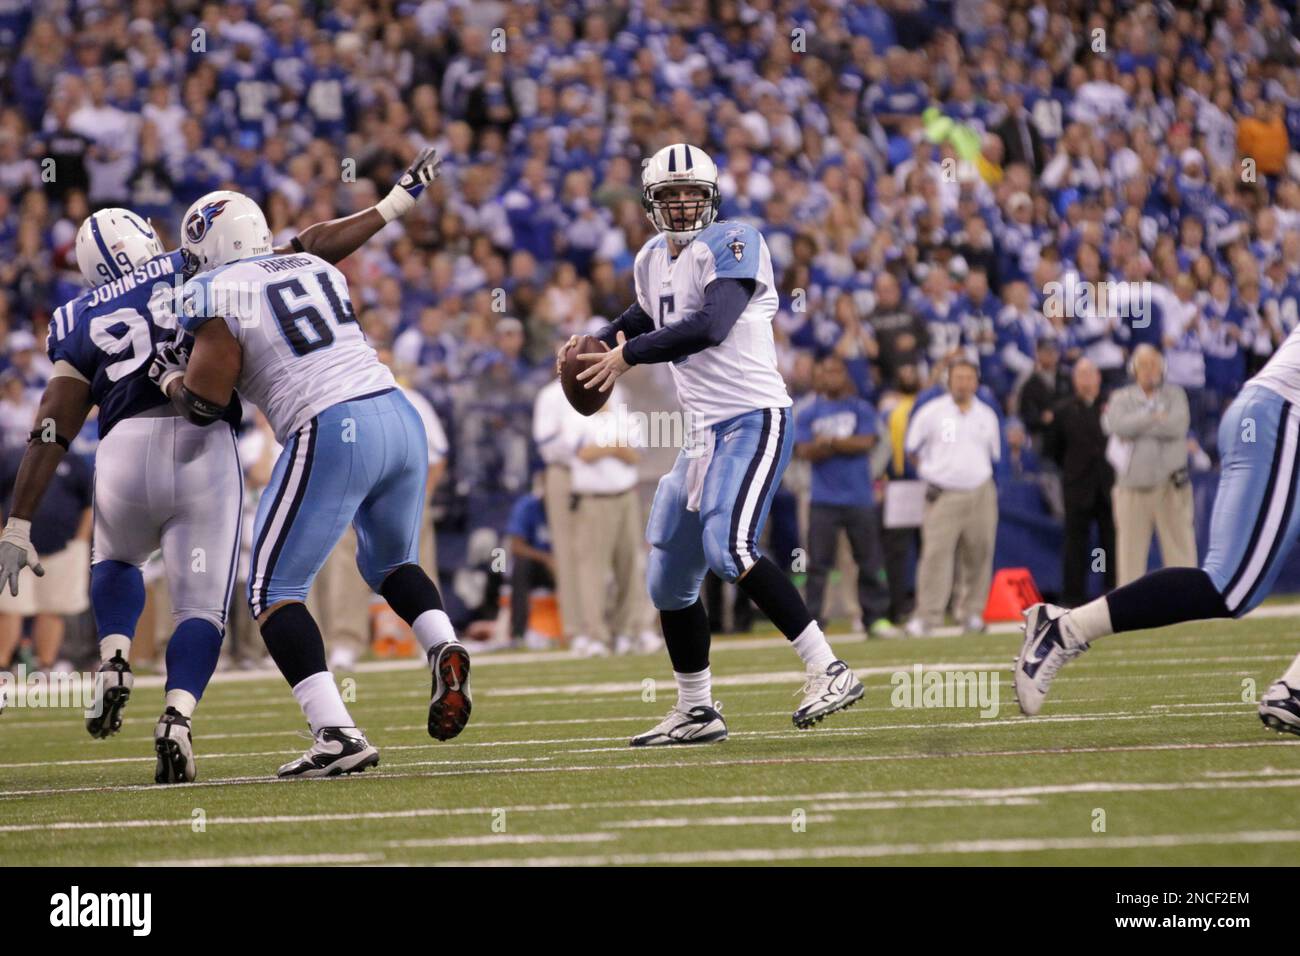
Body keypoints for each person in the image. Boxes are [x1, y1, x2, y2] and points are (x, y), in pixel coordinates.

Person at [0, 150, 440, 782]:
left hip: (124, 449)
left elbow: (53, 424)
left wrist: (18, 523)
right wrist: (393, 205)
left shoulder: (77, 316)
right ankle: (177, 715)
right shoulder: (193, 262)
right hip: (201, 446)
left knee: (118, 560)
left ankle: (115, 652)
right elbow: (301, 249)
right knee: (202, 609)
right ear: (150, 239)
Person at [150, 185, 465, 779]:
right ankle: (442, 644)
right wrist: (392, 205)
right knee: (390, 564)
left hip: (331, 423)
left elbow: (205, 402)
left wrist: (168, 378)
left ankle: (336, 733)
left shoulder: (215, 290)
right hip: (399, 413)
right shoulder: (316, 267)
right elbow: (310, 245)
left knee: (271, 590)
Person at [563, 143, 863, 744]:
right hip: (701, 433)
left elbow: (710, 323)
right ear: (651, 203)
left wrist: (625, 355)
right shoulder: (650, 257)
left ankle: (829, 668)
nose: (680, 206)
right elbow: (649, 314)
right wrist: (593, 338)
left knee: (729, 545)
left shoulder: (737, 241)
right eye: (669, 196)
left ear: (712, 197)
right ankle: (697, 709)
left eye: (690, 195)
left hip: (752, 416)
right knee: (667, 580)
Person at [1015, 304, 1300, 728]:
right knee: (1231, 588)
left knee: (1235, 588)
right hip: (1282, 418)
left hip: (1271, 414)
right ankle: (1065, 630)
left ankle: (1293, 689)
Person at [794, 353, 890, 636]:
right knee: (817, 565)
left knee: (869, 561)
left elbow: (867, 442)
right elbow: (803, 451)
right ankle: (812, 622)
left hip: (860, 496)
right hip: (822, 498)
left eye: (837, 371)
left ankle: (874, 618)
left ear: (845, 375)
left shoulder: (860, 407)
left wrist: (830, 442)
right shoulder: (808, 411)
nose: (832, 377)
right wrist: (837, 446)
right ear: (819, 376)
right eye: (827, 372)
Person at [903, 358, 1001, 635]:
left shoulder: (987, 415)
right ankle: (927, 616)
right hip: (943, 492)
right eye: (959, 377)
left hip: (981, 490)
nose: (964, 383)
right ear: (948, 380)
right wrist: (929, 474)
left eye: (969, 378)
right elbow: (912, 450)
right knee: (935, 556)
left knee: (980, 553)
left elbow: (994, 456)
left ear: (976, 382)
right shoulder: (931, 412)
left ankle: (970, 612)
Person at [1103, 344, 1196, 586]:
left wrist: (1138, 426)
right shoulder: (1121, 397)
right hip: (1131, 487)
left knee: (1181, 550)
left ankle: (1188, 602)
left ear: (1162, 367)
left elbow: (1177, 426)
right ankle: (1129, 611)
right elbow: (1118, 426)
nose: (1149, 370)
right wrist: (1153, 416)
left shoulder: (1175, 395)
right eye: (1143, 365)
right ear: (1134, 369)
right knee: (1129, 555)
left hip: (1170, 485)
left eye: (1154, 364)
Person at [1043, 359, 1115, 607]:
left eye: (1089, 374)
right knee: (1075, 545)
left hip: (1108, 485)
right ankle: (1073, 596)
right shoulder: (1062, 410)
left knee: (1110, 542)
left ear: (1098, 377)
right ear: (1074, 380)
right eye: (1080, 374)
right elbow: (1052, 449)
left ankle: (1111, 591)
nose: (1085, 380)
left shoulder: (1112, 406)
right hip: (1077, 486)